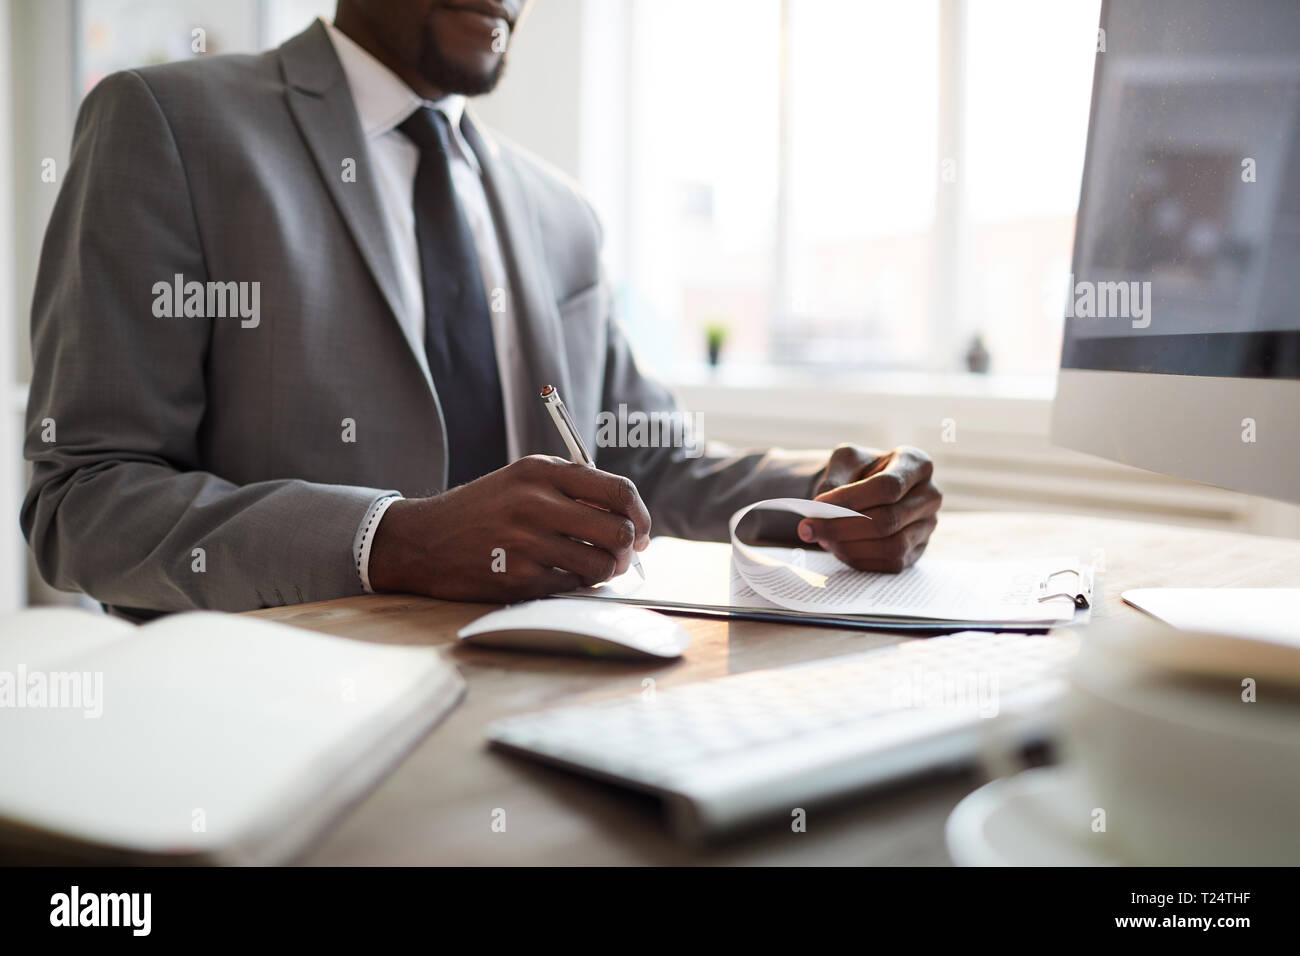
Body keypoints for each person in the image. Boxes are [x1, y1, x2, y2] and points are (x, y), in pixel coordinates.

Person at [21, 0, 942, 617]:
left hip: (548, 703)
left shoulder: (557, 211)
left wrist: (820, 497)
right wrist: (388, 541)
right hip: (266, 737)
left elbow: (640, 464)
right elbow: (82, 500)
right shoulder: (171, 124)